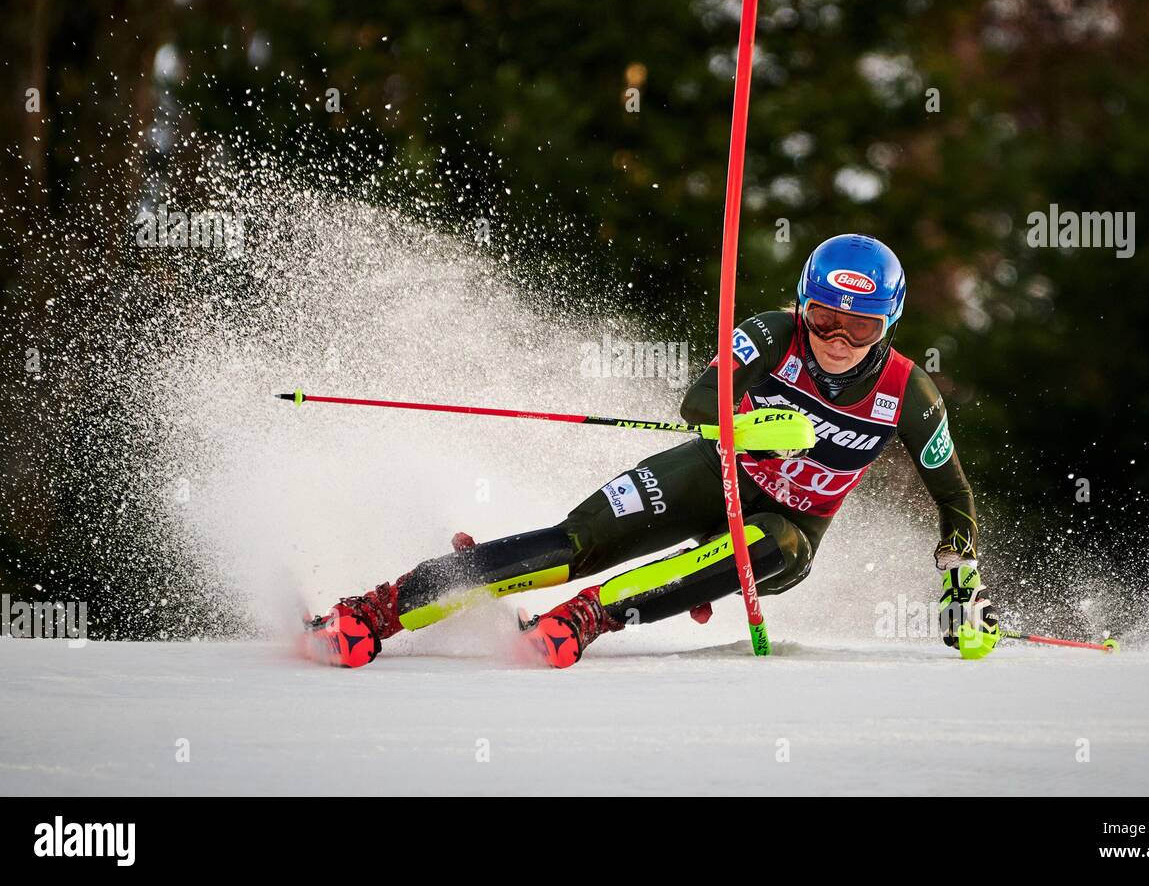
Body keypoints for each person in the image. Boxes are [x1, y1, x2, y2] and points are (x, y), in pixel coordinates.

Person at [303, 234, 998, 668]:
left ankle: (590, 617)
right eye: (824, 317)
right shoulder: (773, 332)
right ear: (803, 306)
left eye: (862, 324)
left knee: (767, 545)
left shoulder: (911, 393)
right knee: (568, 544)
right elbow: (701, 400)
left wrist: (960, 582)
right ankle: (379, 608)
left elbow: (954, 496)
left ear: (890, 325)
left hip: (788, 531)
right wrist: (749, 422)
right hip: (714, 471)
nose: (837, 339)